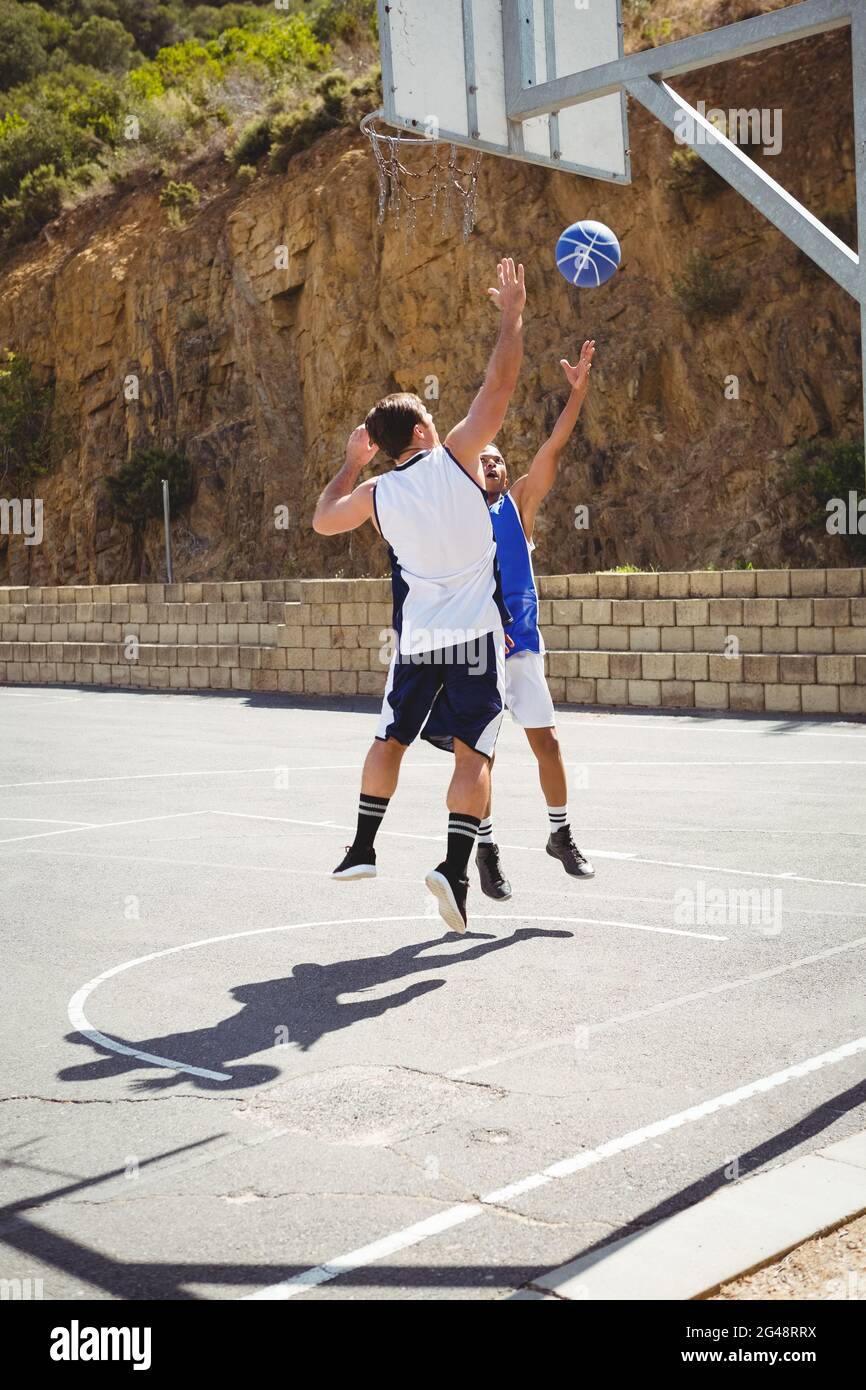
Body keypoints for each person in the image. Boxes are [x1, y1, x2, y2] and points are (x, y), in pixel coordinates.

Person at [312, 258, 526, 933]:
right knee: (474, 755)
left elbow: (322, 519)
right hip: (473, 640)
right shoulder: (461, 456)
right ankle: (453, 870)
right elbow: (500, 382)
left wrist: (352, 462)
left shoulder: (375, 493)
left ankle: (362, 847)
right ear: (427, 433)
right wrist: (511, 317)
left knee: (390, 739)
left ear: (382, 445)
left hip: (419, 640)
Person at [474, 342, 597, 899]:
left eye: (498, 457)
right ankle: (486, 849)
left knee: (546, 743)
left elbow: (552, 447)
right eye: (484, 459)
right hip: (476, 652)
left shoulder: (518, 503)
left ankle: (560, 834)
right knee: (481, 756)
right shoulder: (454, 517)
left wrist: (576, 395)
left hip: (522, 647)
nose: (494, 463)